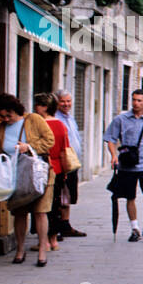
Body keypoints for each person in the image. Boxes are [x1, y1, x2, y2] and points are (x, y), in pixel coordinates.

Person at [0, 93, 55, 266]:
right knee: (19, 213)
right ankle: (20, 249)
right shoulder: (0, 129)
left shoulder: (33, 119)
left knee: (40, 211)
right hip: (15, 175)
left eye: (8, 115)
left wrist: (30, 147)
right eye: (2, 116)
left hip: (38, 173)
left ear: (16, 110)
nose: (6, 119)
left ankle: (42, 249)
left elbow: (50, 140)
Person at [104, 89, 143, 243]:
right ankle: (135, 229)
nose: (136, 103)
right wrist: (113, 156)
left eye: (139, 100)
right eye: (133, 100)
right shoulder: (121, 120)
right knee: (130, 197)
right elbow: (110, 139)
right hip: (127, 166)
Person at [32, 93, 69, 253]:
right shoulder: (60, 125)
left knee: (40, 207)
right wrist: (65, 171)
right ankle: (53, 240)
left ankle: (44, 241)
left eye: (37, 105)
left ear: (44, 107)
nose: (35, 108)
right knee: (55, 205)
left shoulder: (36, 125)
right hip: (58, 168)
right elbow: (63, 151)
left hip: (40, 168)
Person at [54, 89, 87, 238]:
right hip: (63, 162)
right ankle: (57, 228)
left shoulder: (70, 118)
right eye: (63, 101)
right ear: (57, 102)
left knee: (68, 196)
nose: (66, 104)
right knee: (60, 196)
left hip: (72, 163)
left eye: (68, 101)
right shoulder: (56, 118)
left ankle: (66, 225)